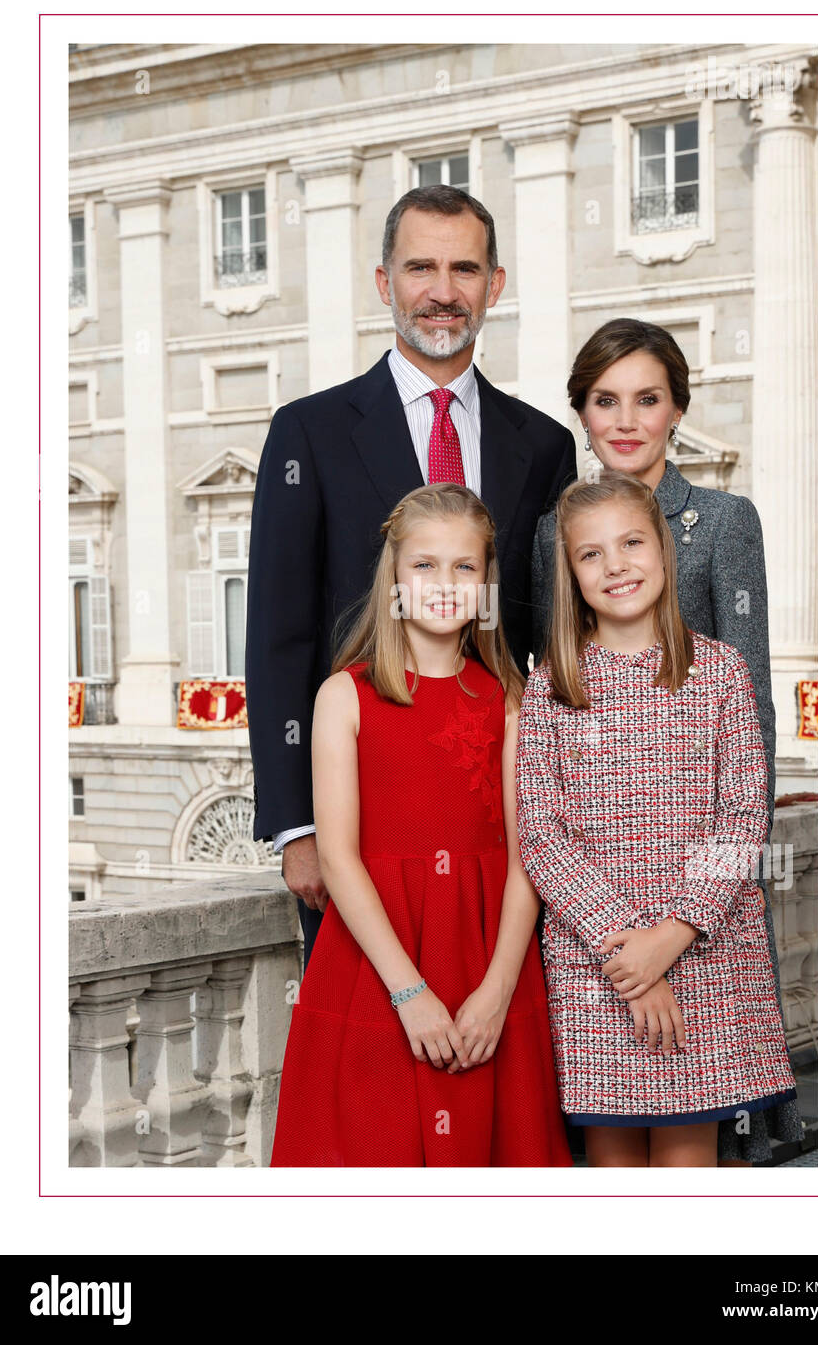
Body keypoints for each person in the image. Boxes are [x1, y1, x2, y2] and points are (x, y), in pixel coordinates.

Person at [245, 185, 577, 968]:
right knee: (379, 1053)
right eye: (419, 266)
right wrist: (296, 827)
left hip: (493, 820)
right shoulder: (308, 431)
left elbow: (551, 637)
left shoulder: (543, 443)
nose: (441, 290)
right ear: (383, 282)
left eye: (463, 268)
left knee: (488, 1036)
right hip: (358, 819)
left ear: (493, 286)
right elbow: (278, 635)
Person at [531, 318, 803, 1164]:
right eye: (604, 400)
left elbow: (747, 706)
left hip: (704, 902)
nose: (625, 419)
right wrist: (621, 940)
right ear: (580, 413)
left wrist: (696, 913)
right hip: (597, 930)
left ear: (676, 408)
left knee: (694, 1157)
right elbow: (542, 808)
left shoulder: (720, 522)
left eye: (646, 399)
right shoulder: (552, 536)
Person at [269, 484, 573, 1166]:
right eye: (424, 565)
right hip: (376, 964)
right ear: (395, 578)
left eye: (464, 567)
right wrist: (408, 993)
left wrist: (496, 992)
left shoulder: (508, 701)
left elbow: (530, 858)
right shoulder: (341, 695)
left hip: (487, 955)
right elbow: (339, 859)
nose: (444, 584)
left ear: (486, 582)